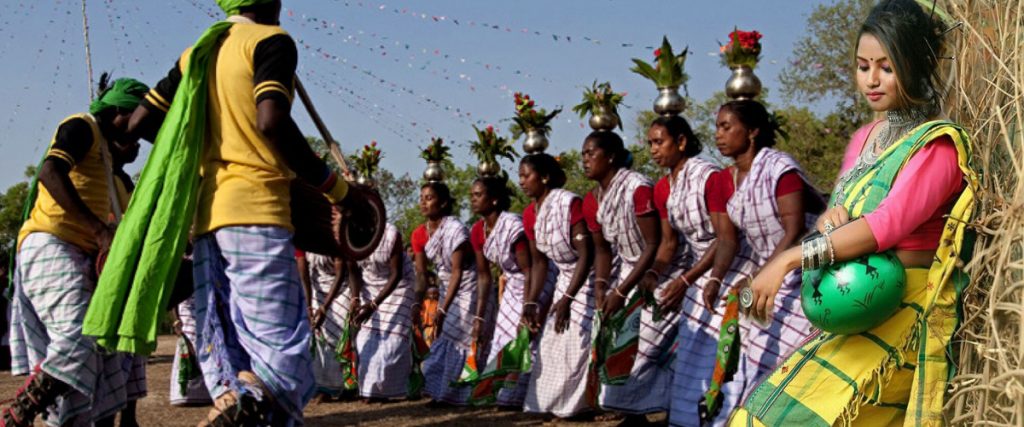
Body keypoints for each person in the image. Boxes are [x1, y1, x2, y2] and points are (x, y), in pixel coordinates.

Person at [729, 1, 978, 424]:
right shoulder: (867, 139)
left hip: (902, 313)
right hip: (853, 308)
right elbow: (837, 212)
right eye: (863, 67)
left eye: (887, 67)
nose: (871, 80)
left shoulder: (938, 146)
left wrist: (788, 260)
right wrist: (831, 221)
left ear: (916, 65)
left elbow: (886, 225)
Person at [120, 1, 360, 424]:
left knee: (232, 346)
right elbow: (271, 121)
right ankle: (244, 403)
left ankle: (237, 400)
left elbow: (138, 122)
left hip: (207, 222)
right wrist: (337, 190)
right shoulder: (269, 41)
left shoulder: (197, 54)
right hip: (257, 213)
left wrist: (200, 148)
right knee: (282, 353)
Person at [4, 74, 149, 426]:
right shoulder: (82, 126)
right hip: (50, 241)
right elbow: (50, 172)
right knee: (79, 336)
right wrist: (99, 232)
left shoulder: (112, 168)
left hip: (82, 255)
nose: (139, 135)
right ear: (120, 111)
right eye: (137, 121)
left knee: (103, 353)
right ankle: (20, 411)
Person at [707, 98, 824, 424]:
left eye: (726, 127)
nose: (718, 135)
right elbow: (727, 240)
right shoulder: (731, 179)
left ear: (752, 131)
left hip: (804, 268)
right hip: (769, 272)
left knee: (789, 354)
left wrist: (760, 277)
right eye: (717, 127)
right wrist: (716, 279)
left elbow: (795, 230)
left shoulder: (778, 168)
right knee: (752, 350)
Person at [639, 115, 741, 427]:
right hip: (698, 270)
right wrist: (654, 274)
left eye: (660, 142)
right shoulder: (663, 188)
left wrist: (687, 279)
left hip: (728, 264)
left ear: (681, 142)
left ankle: (727, 416)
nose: (654, 150)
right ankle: (687, 418)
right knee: (691, 350)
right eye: (651, 143)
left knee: (722, 349)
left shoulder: (707, 177)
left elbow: (724, 237)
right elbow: (669, 243)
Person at [580, 130, 672, 423]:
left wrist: (621, 292)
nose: (585, 160)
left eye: (590, 153)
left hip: (660, 270)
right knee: (618, 343)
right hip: (628, 273)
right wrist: (601, 286)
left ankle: (663, 410)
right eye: (583, 154)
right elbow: (602, 250)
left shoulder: (636, 188)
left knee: (647, 346)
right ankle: (635, 414)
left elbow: (654, 243)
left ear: (610, 157)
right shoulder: (593, 200)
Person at [519, 153, 597, 419]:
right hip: (565, 278)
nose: (522, 182)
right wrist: (531, 301)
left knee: (578, 341)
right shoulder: (530, 214)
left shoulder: (568, 203)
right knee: (552, 343)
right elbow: (539, 263)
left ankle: (578, 406)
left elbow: (586, 254)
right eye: (520, 176)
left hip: (588, 276)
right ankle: (549, 403)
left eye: (526, 175)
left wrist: (568, 298)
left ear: (544, 177)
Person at [469, 176, 547, 408]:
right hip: (512, 286)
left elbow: (529, 268)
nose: (473, 200)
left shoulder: (512, 226)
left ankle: (522, 395)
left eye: (478, 195)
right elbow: (484, 276)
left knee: (526, 337)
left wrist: (528, 307)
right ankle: (504, 394)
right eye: (472, 195)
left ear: (494, 200)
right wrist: (479, 317)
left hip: (534, 283)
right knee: (503, 338)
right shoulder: (478, 231)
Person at [412, 182, 485, 406]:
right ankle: (442, 393)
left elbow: (457, 271)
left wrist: (443, 309)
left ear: (443, 203)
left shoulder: (455, 230)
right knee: (443, 341)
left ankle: (464, 394)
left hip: (467, 288)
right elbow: (422, 275)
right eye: (422, 198)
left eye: (429, 198)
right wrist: (416, 304)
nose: (423, 202)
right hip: (447, 288)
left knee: (460, 340)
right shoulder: (420, 234)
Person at [348, 221, 417, 402]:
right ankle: (370, 390)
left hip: (398, 286)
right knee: (365, 339)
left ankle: (388, 390)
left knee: (391, 342)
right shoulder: (349, 232)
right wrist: (355, 299)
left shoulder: (390, 234)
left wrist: (373, 305)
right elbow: (353, 270)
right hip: (369, 285)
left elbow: (396, 273)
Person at [298, 251, 352, 399]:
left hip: (342, 289)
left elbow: (340, 274)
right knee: (320, 336)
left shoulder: (334, 241)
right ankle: (325, 387)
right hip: (317, 289)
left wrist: (324, 307)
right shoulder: (303, 244)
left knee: (340, 336)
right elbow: (304, 274)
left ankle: (346, 386)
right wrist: (309, 306)